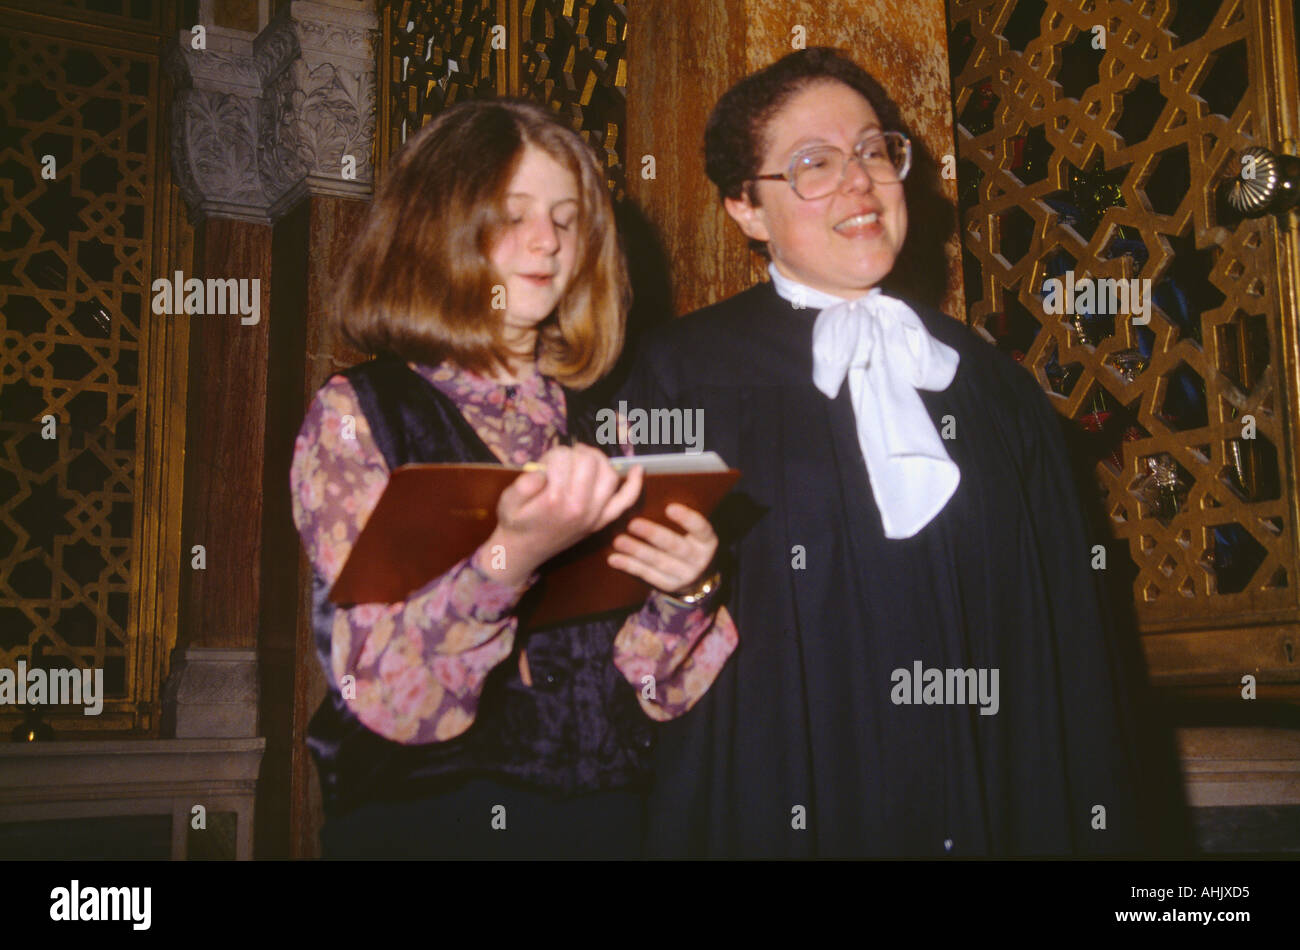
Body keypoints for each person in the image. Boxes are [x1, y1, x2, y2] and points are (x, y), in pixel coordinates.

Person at [615, 47, 1160, 857]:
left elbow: (1067, 642)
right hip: (786, 794)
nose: (859, 180)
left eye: (874, 150)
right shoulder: (679, 377)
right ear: (745, 209)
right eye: (813, 164)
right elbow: (629, 645)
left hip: (985, 791)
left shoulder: (990, 387)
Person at [290, 98, 737, 858]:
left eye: (567, 219)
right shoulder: (360, 412)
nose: (548, 241)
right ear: (436, 226)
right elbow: (376, 687)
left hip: (606, 815)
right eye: (512, 212)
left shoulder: (611, 418)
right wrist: (508, 558)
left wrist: (686, 588)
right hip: (429, 818)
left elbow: (654, 688)